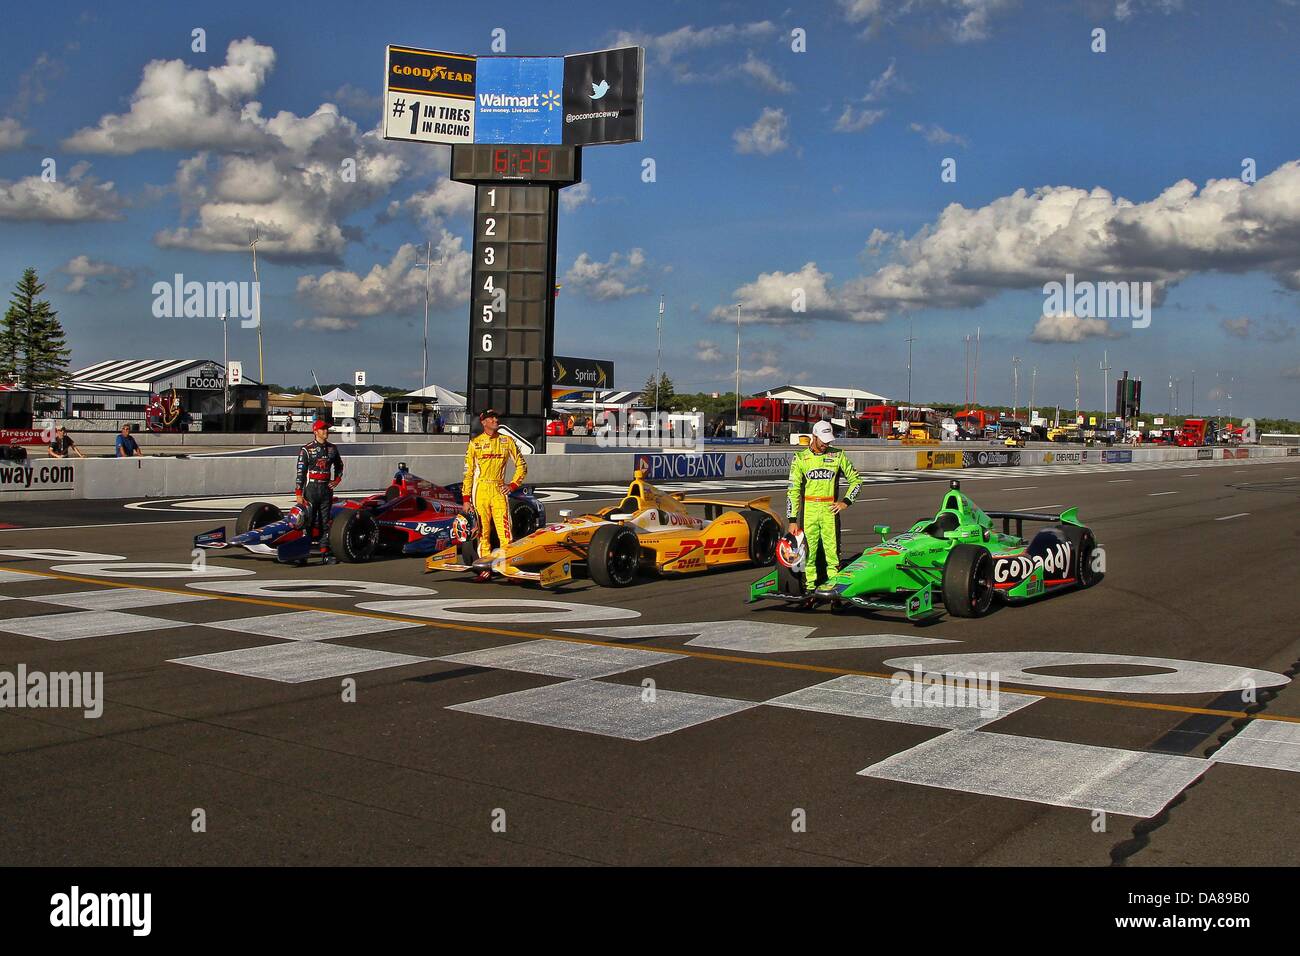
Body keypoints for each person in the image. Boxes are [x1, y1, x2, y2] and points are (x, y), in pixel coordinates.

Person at [786, 420, 863, 594]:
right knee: (809, 554)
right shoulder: (800, 458)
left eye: (828, 440)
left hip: (830, 510)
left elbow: (857, 481)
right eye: (823, 440)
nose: (826, 444)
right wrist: (792, 520)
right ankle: (810, 589)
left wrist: (846, 502)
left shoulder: (838, 455)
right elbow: (792, 490)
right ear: (814, 436)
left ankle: (835, 589)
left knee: (833, 554)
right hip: (809, 511)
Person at [463, 408, 528, 579]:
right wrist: (466, 499)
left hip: (499, 489)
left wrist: (513, 485)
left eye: (496, 417)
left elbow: (522, 466)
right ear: (483, 422)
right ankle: (485, 568)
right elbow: (468, 473)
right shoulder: (474, 444)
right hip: (480, 490)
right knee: (483, 532)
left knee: (505, 531)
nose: (495, 420)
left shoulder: (507, 441)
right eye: (491, 418)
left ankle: (509, 566)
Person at [295, 420, 344, 556]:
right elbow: (300, 472)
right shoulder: (306, 449)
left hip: (326, 489)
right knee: (308, 520)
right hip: (311, 489)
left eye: (327, 429)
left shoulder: (333, 448)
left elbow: (340, 466)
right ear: (315, 431)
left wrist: (337, 480)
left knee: (325, 520)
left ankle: (324, 549)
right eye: (323, 429)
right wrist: (299, 493)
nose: (326, 431)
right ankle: (306, 547)